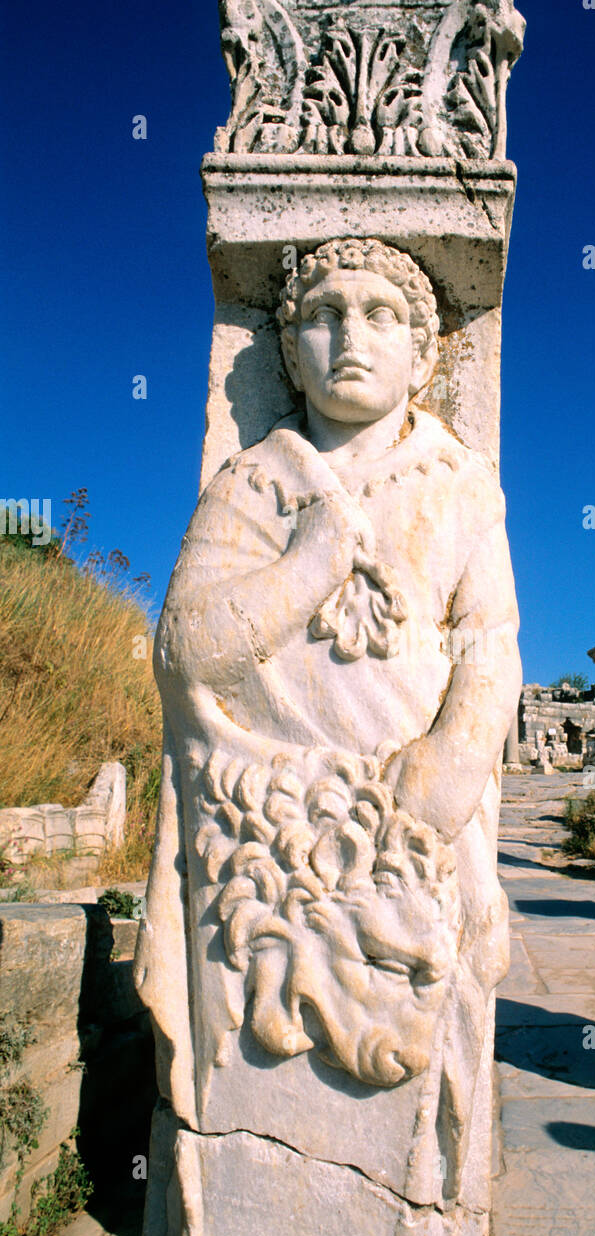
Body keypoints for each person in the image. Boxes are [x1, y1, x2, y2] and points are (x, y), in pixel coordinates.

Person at [136, 238, 521, 1187]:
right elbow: (186, 646)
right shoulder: (255, 482)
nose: (350, 335)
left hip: (407, 829)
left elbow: (490, 647)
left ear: (426, 357)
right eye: (322, 314)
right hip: (263, 842)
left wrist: (449, 769)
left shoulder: (460, 488)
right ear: (285, 346)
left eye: (381, 314)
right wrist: (308, 565)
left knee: (421, 1068)